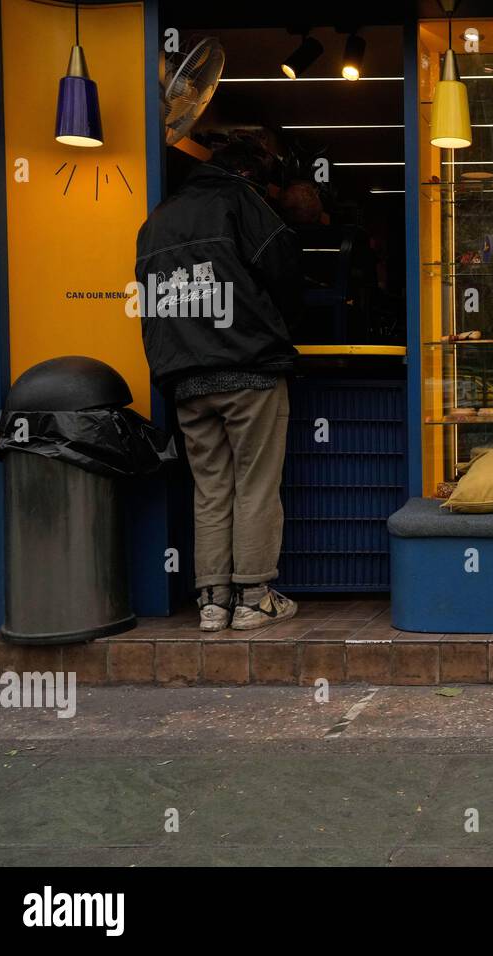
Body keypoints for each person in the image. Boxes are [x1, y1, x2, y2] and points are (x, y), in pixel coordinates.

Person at [133, 137, 301, 631]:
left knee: (209, 488)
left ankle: (212, 601)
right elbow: (284, 271)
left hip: (186, 377)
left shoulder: (156, 219)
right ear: (250, 174)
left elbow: (150, 301)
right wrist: (283, 330)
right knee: (255, 484)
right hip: (249, 366)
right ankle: (252, 598)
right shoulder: (239, 202)